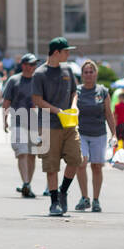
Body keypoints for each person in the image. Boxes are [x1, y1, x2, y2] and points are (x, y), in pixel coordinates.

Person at [32, 37, 81, 216]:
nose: (69, 54)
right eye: (66, 51)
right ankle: (54, 202)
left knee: (76, 159)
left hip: (69, 123)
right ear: (56, 53)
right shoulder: (40, 73)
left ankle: (63, 191)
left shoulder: (68, 69)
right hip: (48, 125)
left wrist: (74, 106)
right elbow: (37, 100)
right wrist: (57, 111)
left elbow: (75, 91)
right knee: (51, 166)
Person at [73, 59, 115, 212]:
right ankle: (85, 198)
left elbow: (109, 114)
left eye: (91, 72)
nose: (89, 75)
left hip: (99, 134)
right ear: (82, 75)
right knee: (81, 163)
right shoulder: (77, 91)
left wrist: (114, 134)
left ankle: (96, 199)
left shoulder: (102, 91)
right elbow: (71, 109)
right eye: (86, 72)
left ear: (96, 74)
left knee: (97, 167)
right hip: (81, 133)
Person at [0, 52, 41, 197]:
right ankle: (26, 183)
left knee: (32, 155)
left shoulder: (39, 80)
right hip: (18, 122)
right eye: (31, 64)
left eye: (35, 64)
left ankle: (27, 184)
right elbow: (6, 102)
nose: (33, 67)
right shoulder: (14, 80)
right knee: (22, 153)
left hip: (36, 124)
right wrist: (4, 120)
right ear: (23, 65)